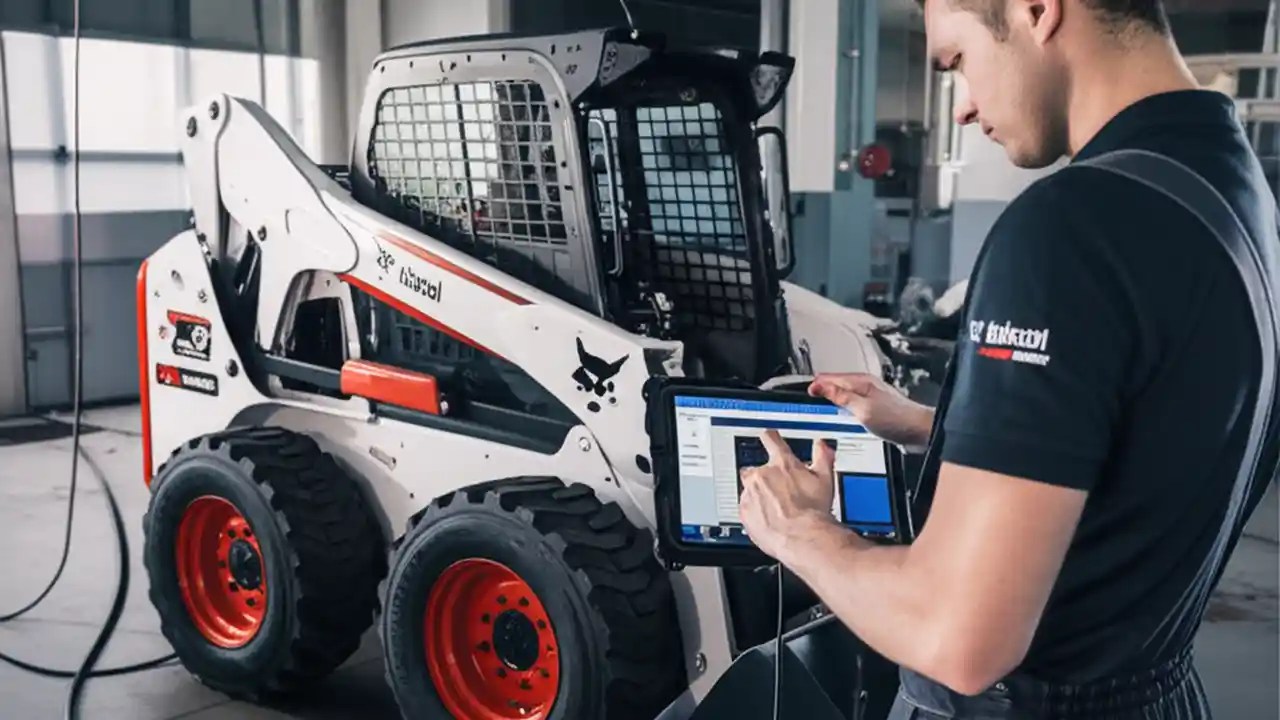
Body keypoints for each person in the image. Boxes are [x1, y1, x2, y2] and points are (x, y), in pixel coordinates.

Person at [738, 0, 1279, 717]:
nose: (961, 109)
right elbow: (1154, 429)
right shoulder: (1233, 191)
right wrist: (943, 428)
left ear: (1036, 10)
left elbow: (958, 639)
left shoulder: (1070, 228)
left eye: (958, 61)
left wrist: (799, 530)